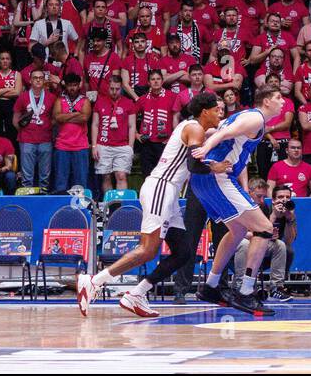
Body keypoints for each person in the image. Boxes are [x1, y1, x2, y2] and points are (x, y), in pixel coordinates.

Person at [77, 91, 225, 317]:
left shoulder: (195, 127)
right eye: (217, 110)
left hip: (169, 193)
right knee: (148, 249)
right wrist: (216, 167)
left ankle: (136, 294)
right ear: (205, 111)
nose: (220, 114)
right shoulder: (194, 128)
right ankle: (94, 281)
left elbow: (217, 133)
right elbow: (194, 166)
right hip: (160, 188)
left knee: (183, 252)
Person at [186, 85, 285, 315]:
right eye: (279, 98)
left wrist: (204, 147)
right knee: (264, 229)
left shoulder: (244, 117)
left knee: (238, 231)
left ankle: (211, 285)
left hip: (207, 178)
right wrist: (204, 151)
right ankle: (246, 291)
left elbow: (216, 131)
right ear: (266, 101)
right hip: (217, 177)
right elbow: (221, 135)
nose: (283, 102)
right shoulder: (255, 118)